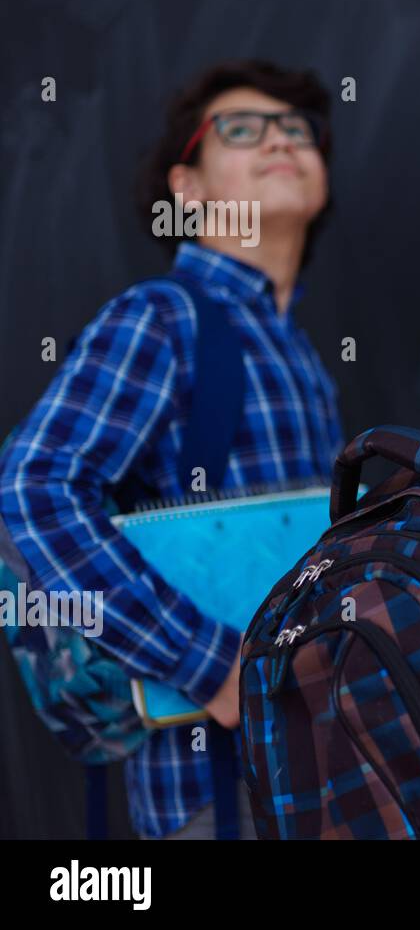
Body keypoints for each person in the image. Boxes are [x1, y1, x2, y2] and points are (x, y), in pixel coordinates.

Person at [0, 59, 345, 839]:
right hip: (218, 792)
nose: (281, 140)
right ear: (187, 190)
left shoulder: (302, 360)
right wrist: (210, 664)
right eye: (241, 129)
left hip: (316, 776)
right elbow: (33, 490)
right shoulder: (166, 316)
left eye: (297, 130)